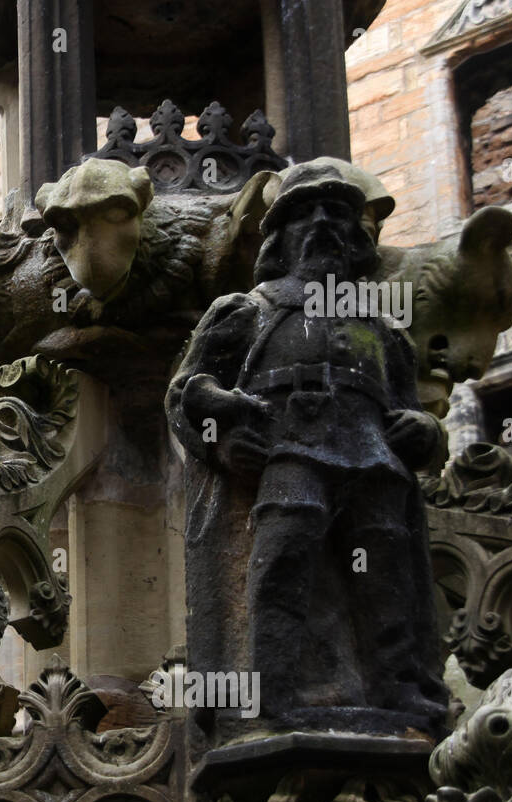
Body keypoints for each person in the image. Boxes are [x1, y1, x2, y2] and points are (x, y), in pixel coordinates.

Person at [167, 163, 447, 730]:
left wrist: (427, 431)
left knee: (385, 569)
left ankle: (400, 689)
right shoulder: (249, 309)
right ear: (281, 236)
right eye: (305, 214)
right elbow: (185, 393)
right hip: (290, 449)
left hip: (374, 458)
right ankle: (271, 692)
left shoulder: (386, 326)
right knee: (284, 558)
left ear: (358, 238)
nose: (322, 225)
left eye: (338, 214)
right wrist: (221, 433)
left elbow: (413, 406)